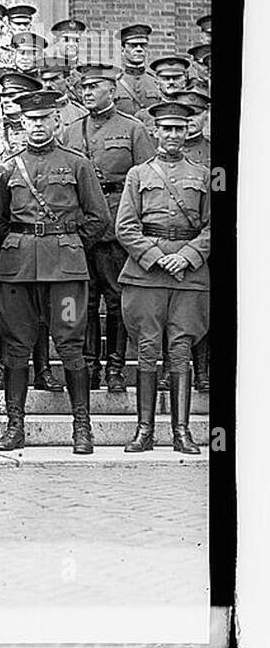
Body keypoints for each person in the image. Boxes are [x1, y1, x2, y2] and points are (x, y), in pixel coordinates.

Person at [0, 89, 110, 454]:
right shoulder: (8, 168)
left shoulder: (77, 164)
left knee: (71, 345)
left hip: (66, 276)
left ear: (57, 120)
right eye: (30, 120)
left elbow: (98, 218)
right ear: (21, 124)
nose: (37, 126)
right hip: (17, 274)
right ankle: (14, 427)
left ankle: (82, 428)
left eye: (43, 119)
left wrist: (68, 244)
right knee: (16, 346)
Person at [116, 101, 210, 455]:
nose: (173, 136)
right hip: (146, 276)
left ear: (188, 132)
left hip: (189, 276)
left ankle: (182, 432)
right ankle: (144, 431)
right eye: (166, 129)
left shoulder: (204, 174)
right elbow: (125, 226)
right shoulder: (138, 174)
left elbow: (215, 225)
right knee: (147, 350)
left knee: (181, 351)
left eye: (179, 129)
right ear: (155, 131)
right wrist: (158, 257)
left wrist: (185, 256)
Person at [60, 63, 154, 392]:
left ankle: (115, 368)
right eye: (84, 88)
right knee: (81, 300)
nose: (87, 93)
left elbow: (146, 180)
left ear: (112, 91)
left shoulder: (132, 129)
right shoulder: (71, 130)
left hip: (116, 223)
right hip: (81, 225)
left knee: (115, 299)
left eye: (94, 88)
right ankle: (88, 366)